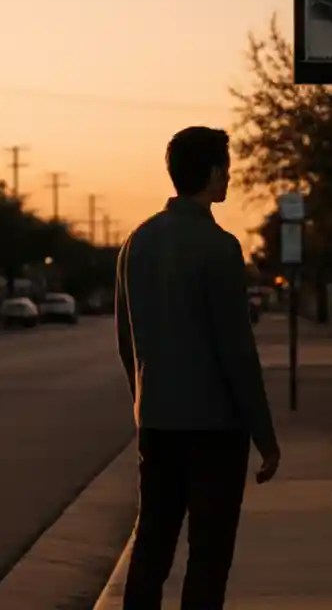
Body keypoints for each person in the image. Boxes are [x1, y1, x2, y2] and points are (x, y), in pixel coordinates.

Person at [114, 126, 281, 610]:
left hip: (158, 424)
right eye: (225, 168)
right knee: (208, 555)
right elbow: (236, 351)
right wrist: (264, 437)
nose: (229, 177)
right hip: (214, 430)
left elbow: (127, 342)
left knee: (152, 545)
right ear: (210, 173)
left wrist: (143, 401)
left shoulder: (136, 243)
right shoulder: (219, 247)